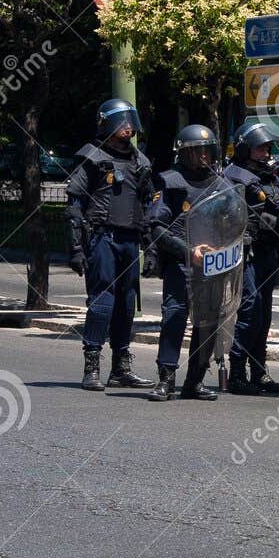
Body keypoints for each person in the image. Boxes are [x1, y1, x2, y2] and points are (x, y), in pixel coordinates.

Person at [67, 98, 158, 392]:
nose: (128, 127)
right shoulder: (91, 157)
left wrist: (152, 248)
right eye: (122, 121)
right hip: (102, 238)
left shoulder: (140, 161)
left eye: (131, 120)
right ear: (107, 124)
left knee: (127, 303)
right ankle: (91, 366)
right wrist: (76, 248)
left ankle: (121, 368)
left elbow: (149, 206)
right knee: (102, 301)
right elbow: (74, 207)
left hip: (130, 240)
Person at [144, 125, 233, 402]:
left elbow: (235, 220)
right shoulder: (170, 181)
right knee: (174, 316)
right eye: (197, 151)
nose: (203, 156)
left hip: (213, 264)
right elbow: (156, 227)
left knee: (209, 321)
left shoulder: (222, 184)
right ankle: (166, 379)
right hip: (181, 262)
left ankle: (195, 380)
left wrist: (227, 246)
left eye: (207, 150)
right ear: (184, 154)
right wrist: (187, 251)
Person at [223, 120, 279, 395]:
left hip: (267, 253)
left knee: (264, 315)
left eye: (267, 148)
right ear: (244, 149)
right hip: (243, 254)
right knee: (249, 310)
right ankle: (237, 373)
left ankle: (259, 372)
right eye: (260, 148)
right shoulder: (231, 177)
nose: (265, 153)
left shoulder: (272, 178)